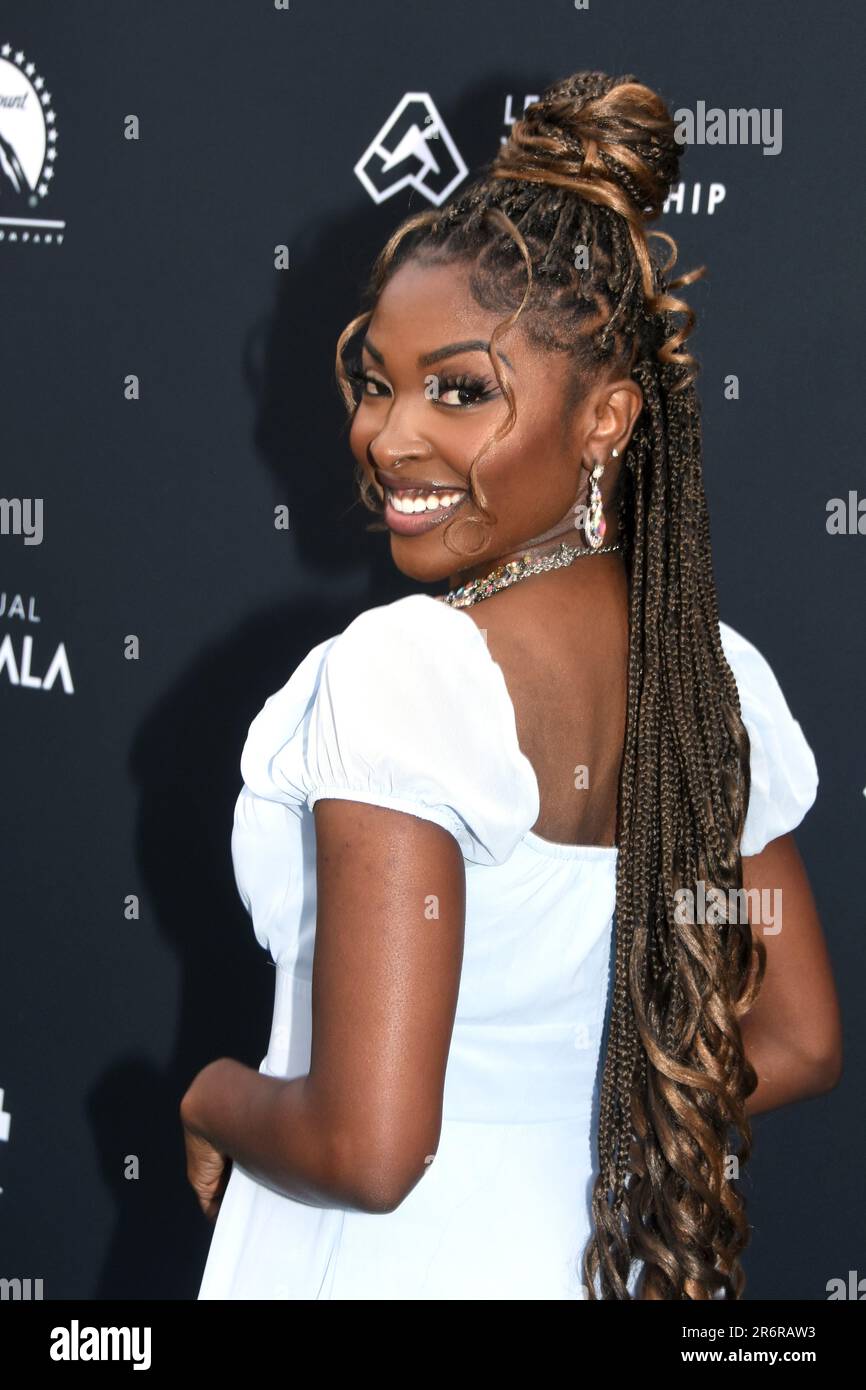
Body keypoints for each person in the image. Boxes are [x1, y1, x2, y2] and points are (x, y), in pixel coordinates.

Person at [181, 70, 841, 1300]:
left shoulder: (403, 677)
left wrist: (214, 1098)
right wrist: (596, 1100)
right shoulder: (711, 684)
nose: (389, 438)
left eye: (460, 389)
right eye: (376, 381)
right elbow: (796, 1035)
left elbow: (370, 1151)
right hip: (584, 1259)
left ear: (605, 421)